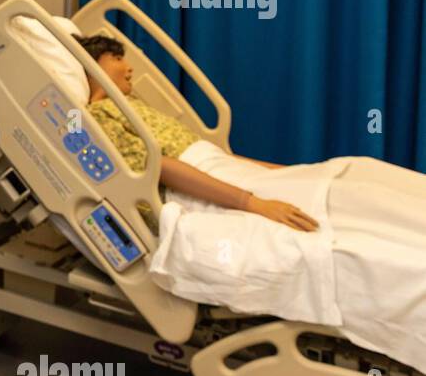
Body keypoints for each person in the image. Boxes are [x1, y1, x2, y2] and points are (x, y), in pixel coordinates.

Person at [76, 35, 319, 232]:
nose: (130, 68)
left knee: (310, 184)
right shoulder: (98, 115)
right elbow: (159, 166)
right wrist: (253, 203)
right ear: (90, 66)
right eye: (118, 58)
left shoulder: (131, 105)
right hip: (195, 188)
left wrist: (289, 172)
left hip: (215, 171)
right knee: (309, 206)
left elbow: (216, 157)